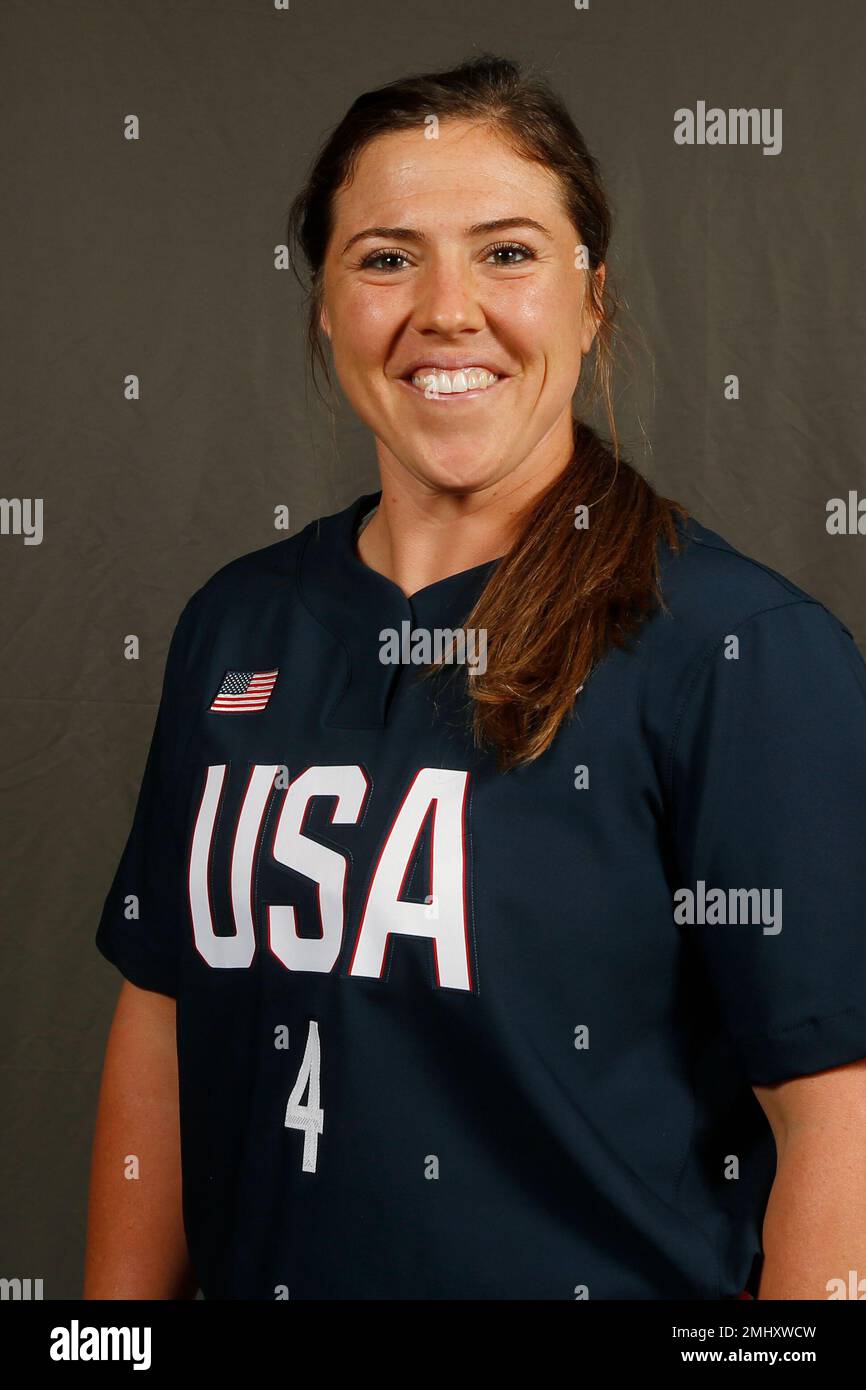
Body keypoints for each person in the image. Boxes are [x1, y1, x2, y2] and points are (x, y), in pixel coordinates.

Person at [85, 53, 866, 1301]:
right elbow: (165, 1021)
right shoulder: (234, 624)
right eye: (385, 258)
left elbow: (838, 1117)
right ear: (324, 304)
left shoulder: (737, 649)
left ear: (591, 298)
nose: (447, 310)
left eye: (506, 252)